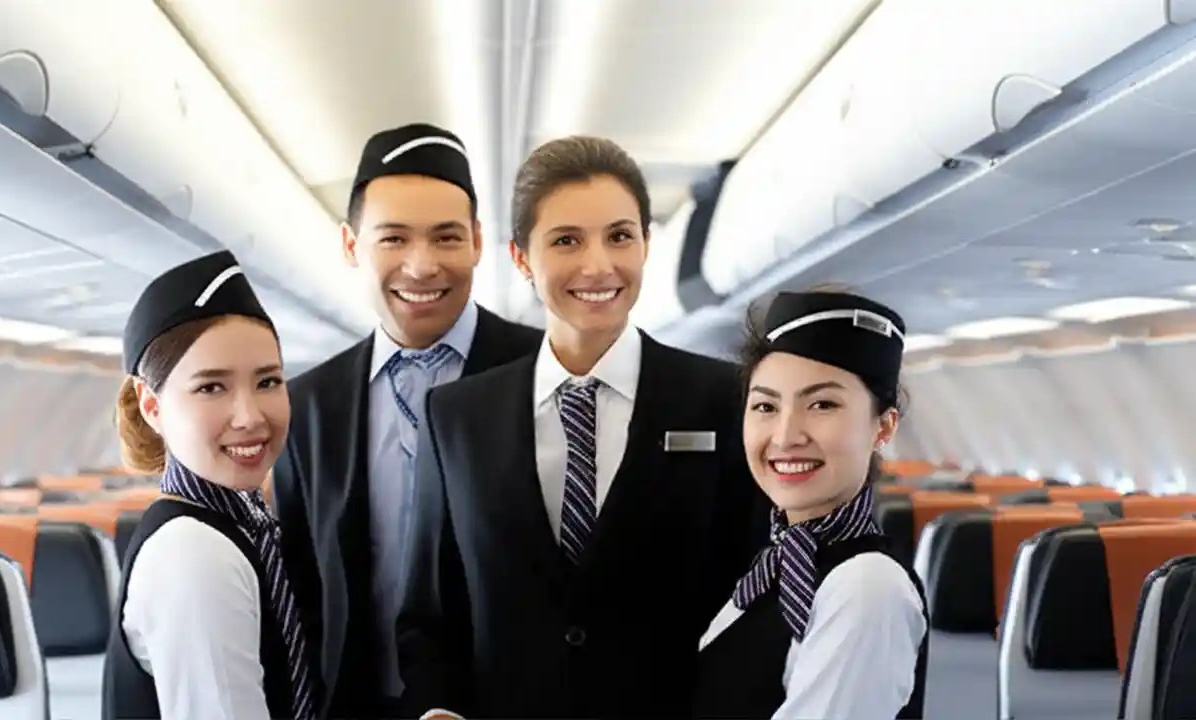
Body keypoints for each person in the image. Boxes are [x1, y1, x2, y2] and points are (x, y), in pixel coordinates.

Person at [397, 136, 770, 718]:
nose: (598, 265)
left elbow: (754, 596)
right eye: (566, 240)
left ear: (646, 244)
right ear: (522, 258)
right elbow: (429, 613)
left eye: (619, 236)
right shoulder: (456, 418)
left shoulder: (725, 400)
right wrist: (438, 710)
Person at [272, 122, 543, 717]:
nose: (421, 267)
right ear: (352, 246)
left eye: (446, 238)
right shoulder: (309, 407)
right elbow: (302, 592)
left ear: (477, 242)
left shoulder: (542, 373)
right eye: (393, 239)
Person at [692, 290, 929, 719]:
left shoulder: (865, 587)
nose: (785, 436)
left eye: (822, 404)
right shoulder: (777, 564)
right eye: (765, 406)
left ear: (883, 426)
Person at [104, 250, 320, 720]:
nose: (250, 416)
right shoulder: (194, 553)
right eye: (211, 387)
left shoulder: (238, 524)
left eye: (268, 382)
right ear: (152, 405)